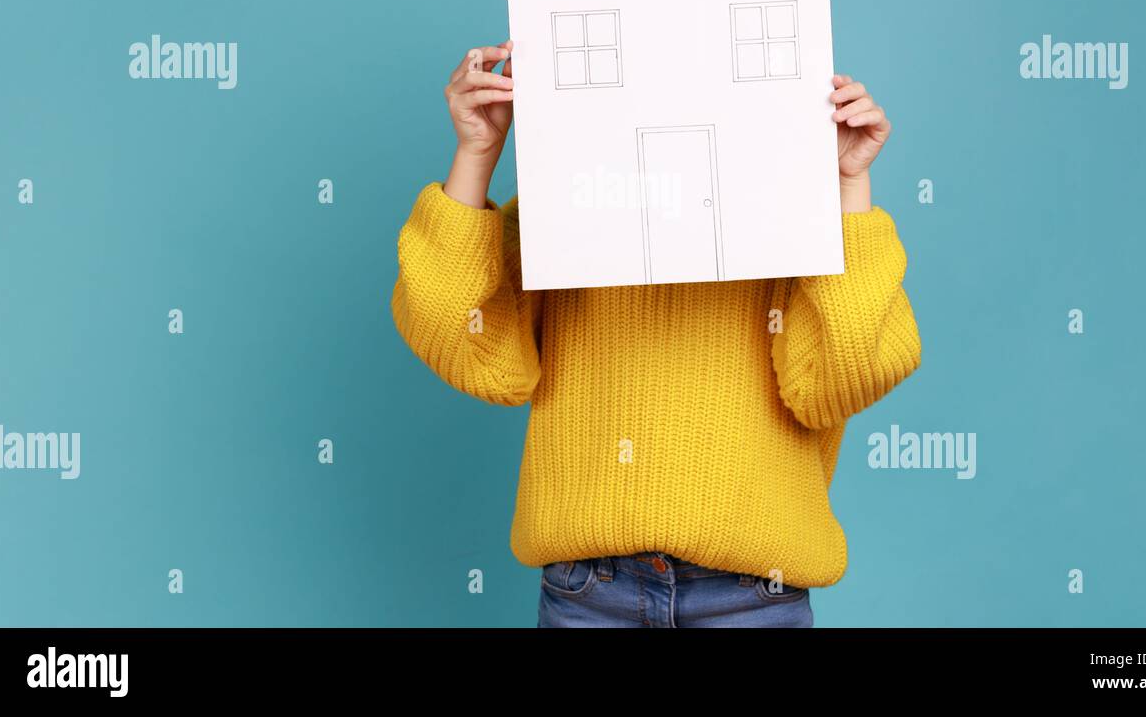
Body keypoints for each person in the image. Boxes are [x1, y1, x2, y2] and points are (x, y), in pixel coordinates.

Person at [390, 39, 922, 627]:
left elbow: (842, 380)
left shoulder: (794, 228)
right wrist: (477, 152)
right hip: (589, 591)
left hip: (752, 596)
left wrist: (847, 189)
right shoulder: (564, 214)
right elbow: (463, 343)